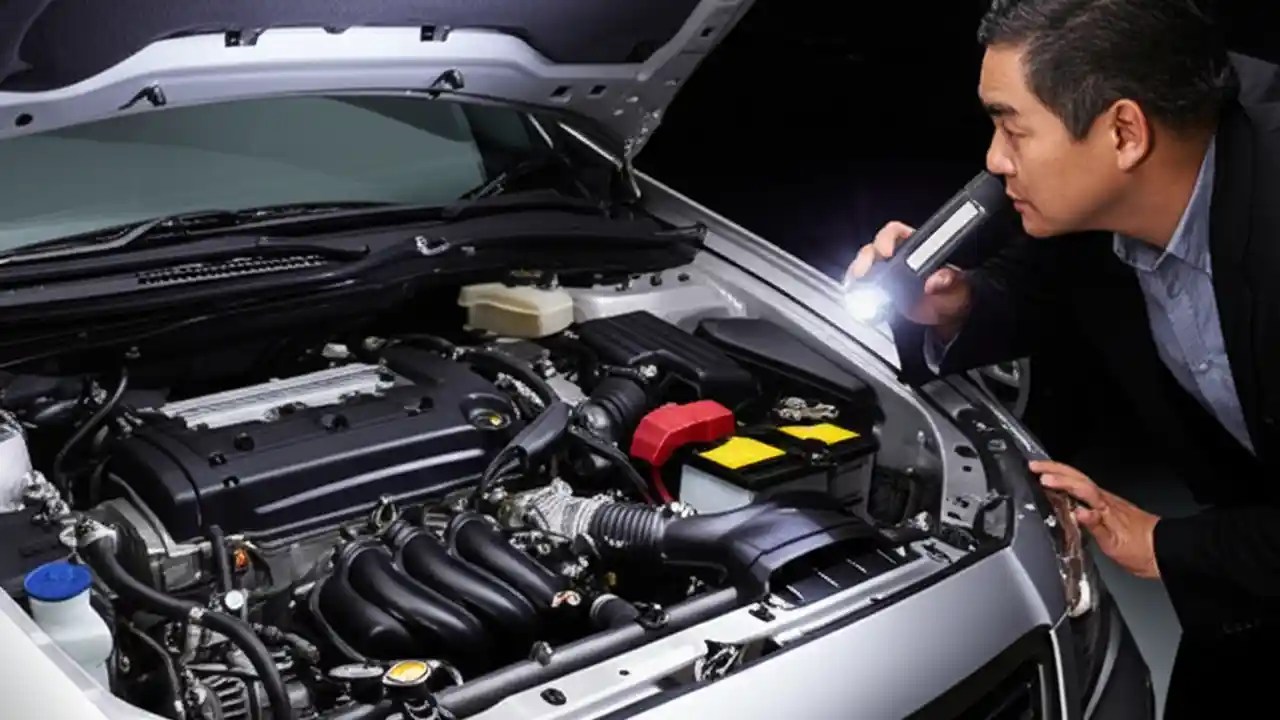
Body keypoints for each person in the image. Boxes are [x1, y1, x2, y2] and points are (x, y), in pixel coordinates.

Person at [847, 0, 1280, 716]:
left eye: (1013, 128)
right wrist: (955, 307)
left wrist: (1165, 544)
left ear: (1124, 132)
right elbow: (1042, 284)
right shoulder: (1109, 206)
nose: (994, 160)